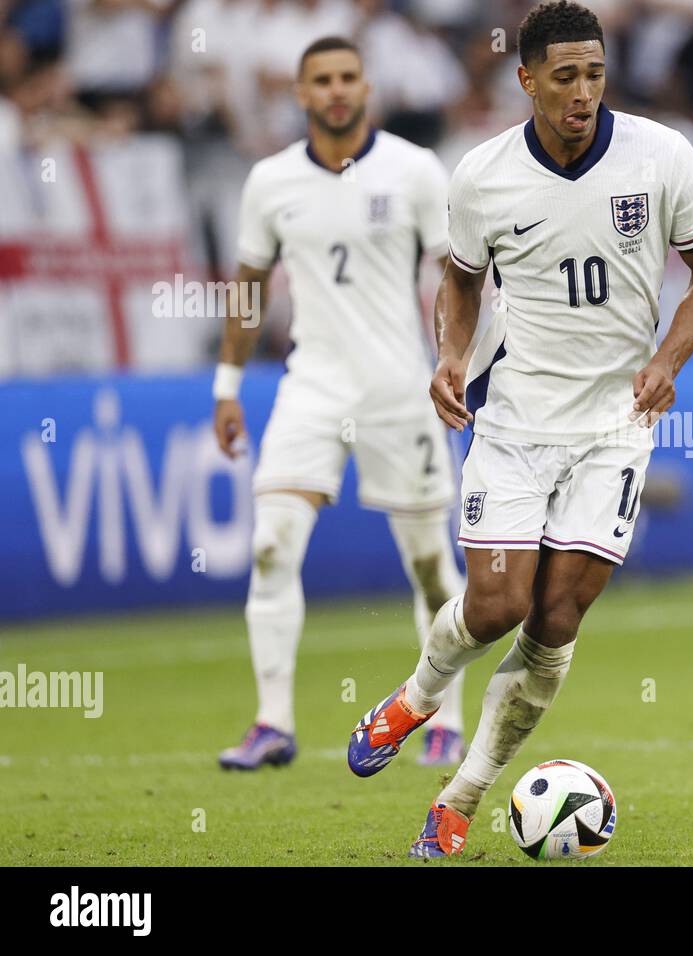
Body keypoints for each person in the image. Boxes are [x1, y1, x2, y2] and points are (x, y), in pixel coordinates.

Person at [344, 1, 693, 858]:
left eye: (595, 73)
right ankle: (413, 698)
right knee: (495, 604)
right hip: (517, 419)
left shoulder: (661, 155)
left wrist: (668, 360)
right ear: (526, 80)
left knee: (557, 618)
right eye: (564, 76)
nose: (584, 91)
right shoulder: (482, 175)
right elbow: (460, 280)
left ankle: (463, 796)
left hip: (616, 426)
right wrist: (450, 356)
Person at [212, 36, 467, 771]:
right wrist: (226, 386)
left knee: (427, 564)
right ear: (300, 93)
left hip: (401, 389)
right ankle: (272, 724)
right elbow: (248, 289)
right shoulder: (270, 181)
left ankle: (444, 718)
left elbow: (457, 275)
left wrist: (455, 363)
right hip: (311, 388)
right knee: (269, 548)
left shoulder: (414, 170)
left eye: (348, 77)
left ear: (366, 87)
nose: (336, 90)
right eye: (321, 79)